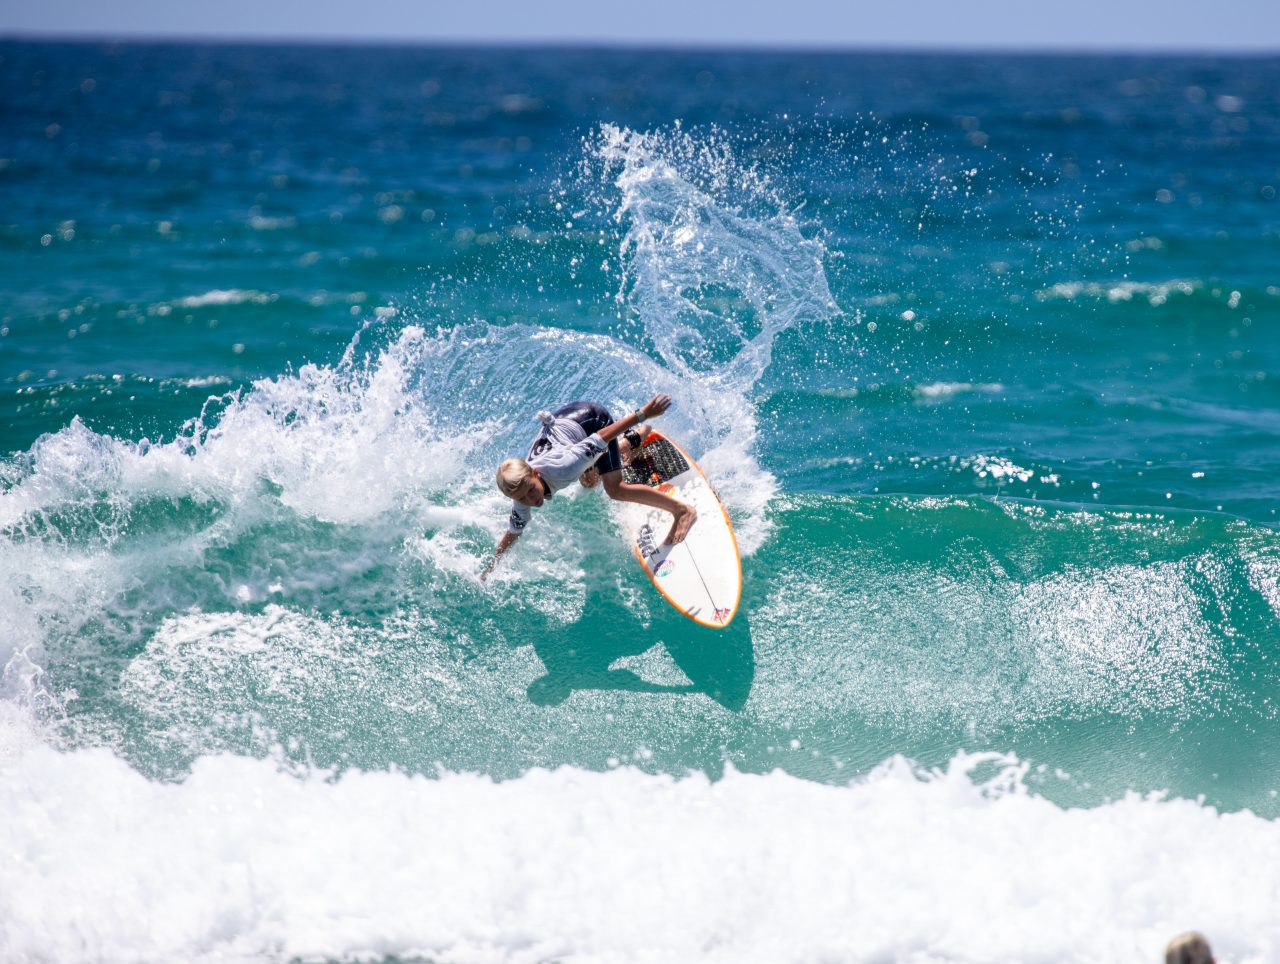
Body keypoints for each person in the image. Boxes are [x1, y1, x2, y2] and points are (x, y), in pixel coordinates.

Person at [481, 393, 696, 581]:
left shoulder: (563, 468)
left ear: (535, 473)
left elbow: (602, 436)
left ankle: (682, 510)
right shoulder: (521, 494)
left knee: (615, 488)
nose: (531, 499)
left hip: (593, 419)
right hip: (570, 430)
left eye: (531, 490)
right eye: (523, 498)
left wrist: (644, 413)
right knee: (590, 482)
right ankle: (635, 439)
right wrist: (491, 567)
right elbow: (513, 532)